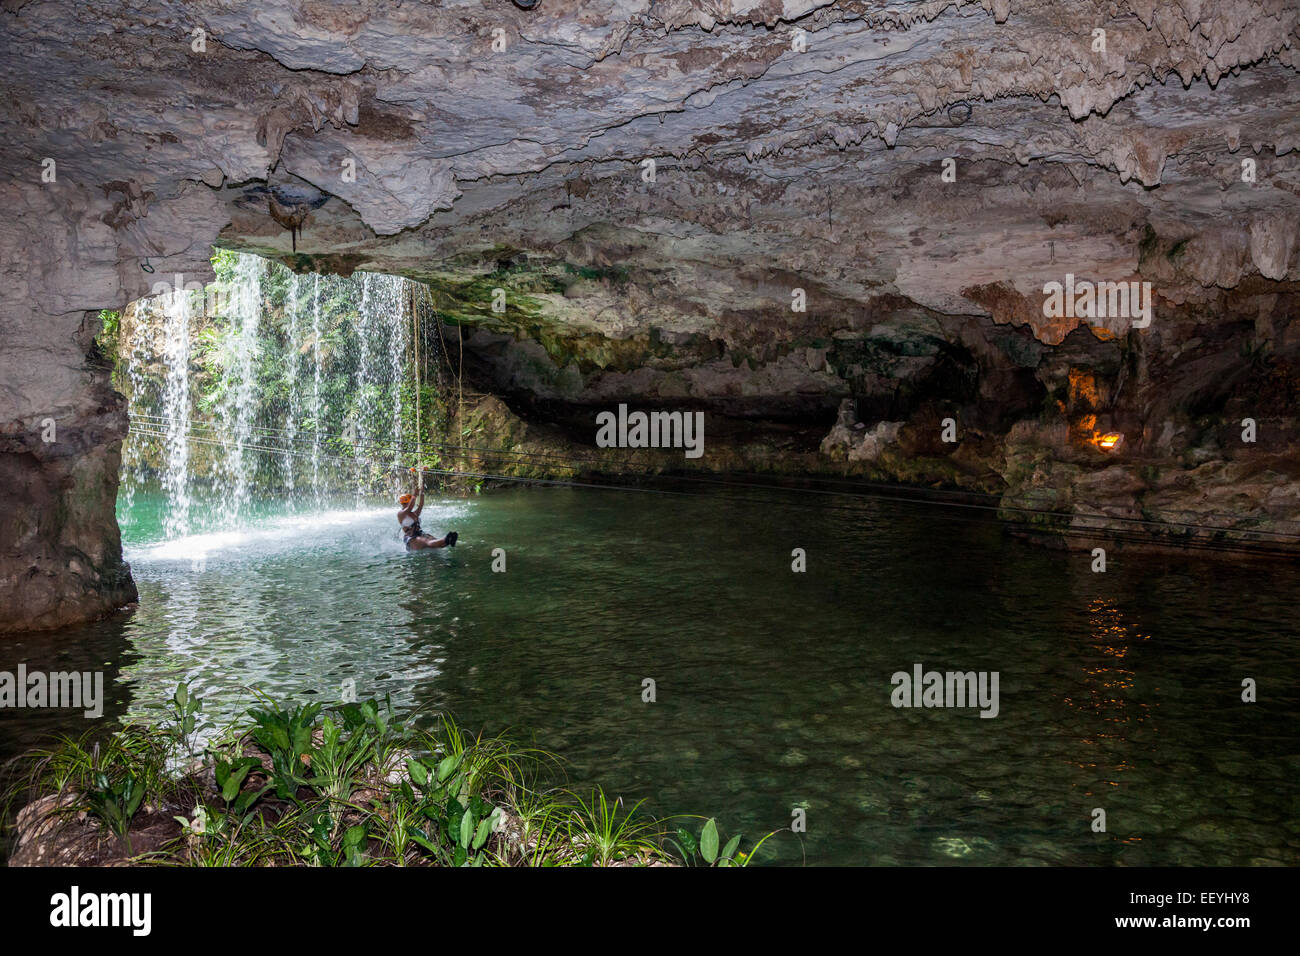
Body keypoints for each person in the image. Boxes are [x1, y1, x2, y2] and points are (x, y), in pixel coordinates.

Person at [397, 468, 458, 551]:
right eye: (410, 500)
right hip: (411, 538)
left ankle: (448, 539)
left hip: (420, 534)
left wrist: (421, 493)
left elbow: (420, 506)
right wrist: (414, 495)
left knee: (436, 542)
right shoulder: (401, 514)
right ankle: (447, 538)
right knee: (428, 543)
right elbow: (410, 507)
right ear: (406, 502)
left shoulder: (413, 514)